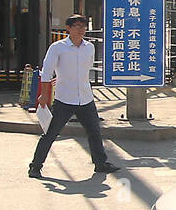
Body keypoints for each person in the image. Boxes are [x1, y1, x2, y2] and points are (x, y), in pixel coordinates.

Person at [29, 15, 119, 179]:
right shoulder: (58, 47)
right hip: (64, 98)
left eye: (83, 26)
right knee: (50, 133)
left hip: (85, 97)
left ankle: (100, 163)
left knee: (94, 132)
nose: (80, 29)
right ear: (68, 28)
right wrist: (44, 94)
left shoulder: (89, 47)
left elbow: (86, 69)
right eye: (77, 26)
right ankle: (35, 166)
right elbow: (47, 72)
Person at [13, 0, 41, 71]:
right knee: (20, 41)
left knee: (31, 42)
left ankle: (32, 64)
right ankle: (20, 65)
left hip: (30, 17)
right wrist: (13, 19)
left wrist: (37, 20)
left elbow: (38, 8)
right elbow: (14, 6)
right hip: (20, 16)